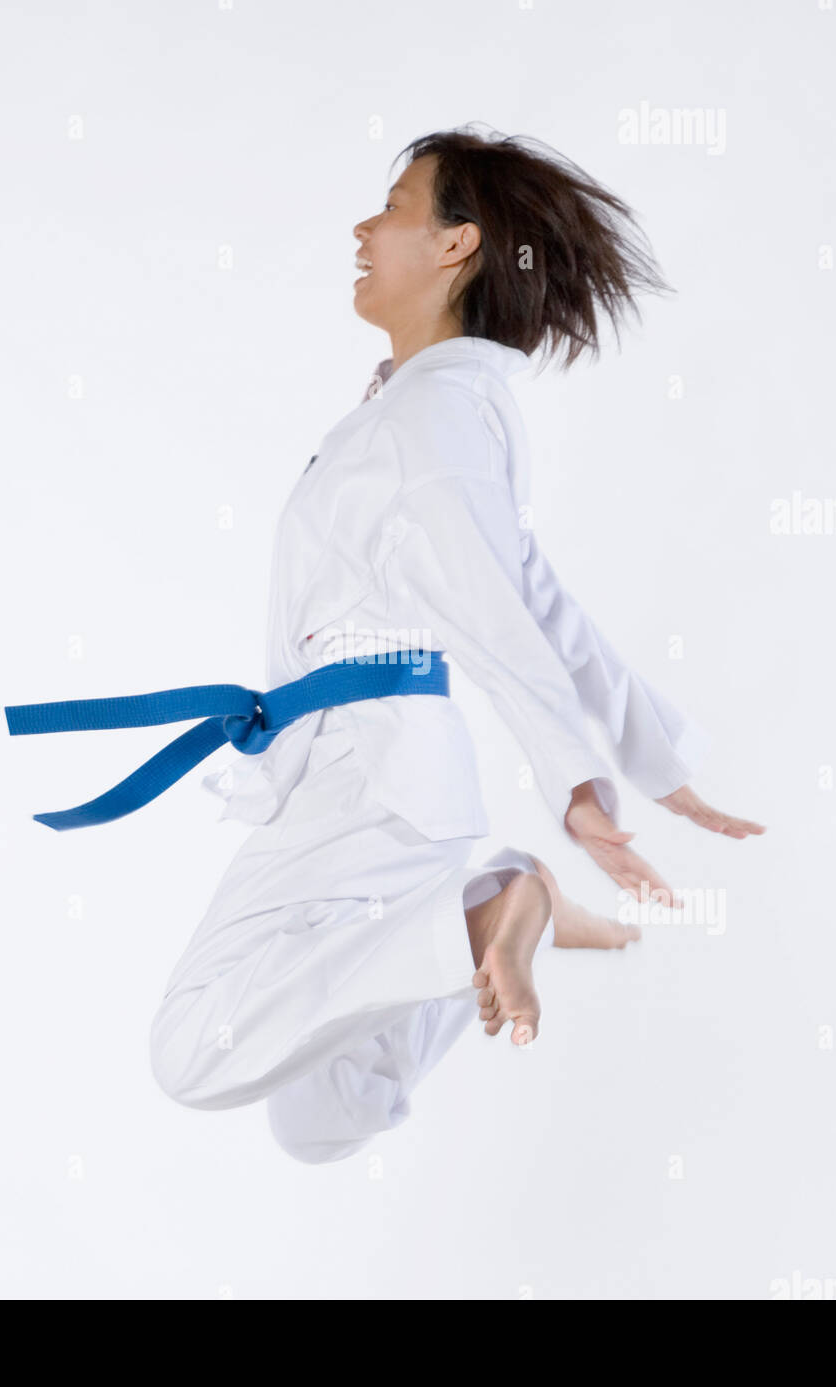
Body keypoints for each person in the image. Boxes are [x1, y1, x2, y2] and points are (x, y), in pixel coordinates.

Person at [148, 125, 765, 1163]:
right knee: (321, 1117)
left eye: (392, 207)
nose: (361, 227)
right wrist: (652, 762)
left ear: (454, 246)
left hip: (371, 776)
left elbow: (494, 610)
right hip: (393, 778)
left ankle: (488, 913)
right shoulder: (428, 405)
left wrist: (578, 781)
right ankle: (487, 906)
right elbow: (537, 601)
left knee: (191, 1054)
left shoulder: (431, 417)